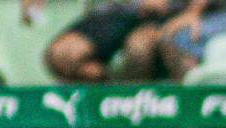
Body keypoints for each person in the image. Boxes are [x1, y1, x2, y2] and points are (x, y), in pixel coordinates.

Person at [46, 0, 187, 81]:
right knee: (61, 55)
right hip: (117, 12)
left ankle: (135, 123)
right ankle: (106, 99)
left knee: (138, 49)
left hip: (161, 16)